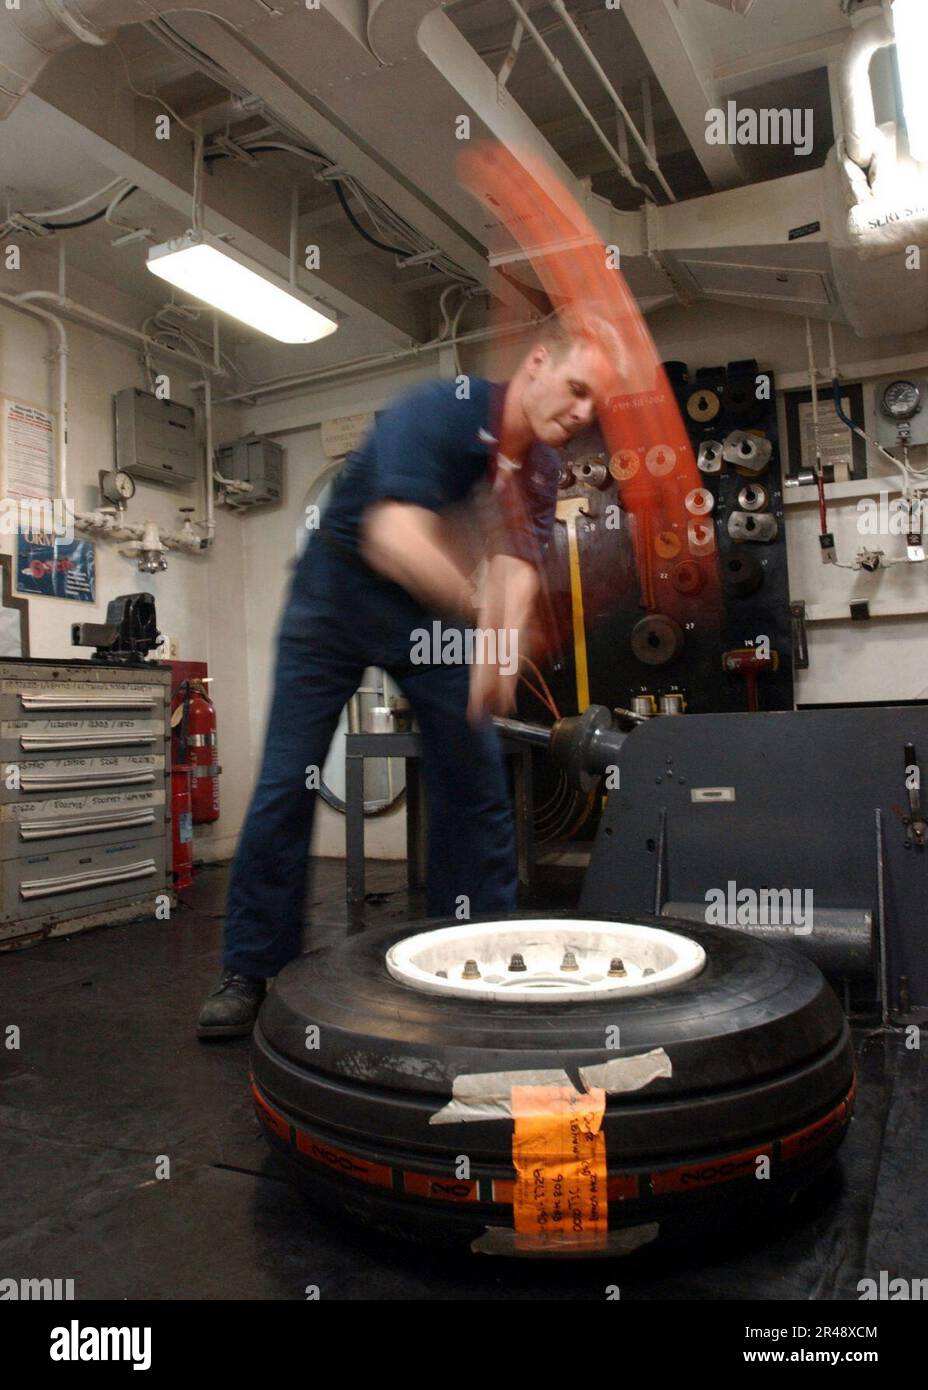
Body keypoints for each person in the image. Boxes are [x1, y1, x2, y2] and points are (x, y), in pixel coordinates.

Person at [197, 315, 615, 1037]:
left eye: (593, 407)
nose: (580, 415)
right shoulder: (441, 409)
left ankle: (476, 954)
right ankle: (251, 968)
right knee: (286, 781)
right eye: (576, 391)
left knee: (475, 776)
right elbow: (392, 538)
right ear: (538, 364)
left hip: (435, 607)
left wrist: (499, 651)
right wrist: (480, 614)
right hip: (336, 596)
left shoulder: (542, 467)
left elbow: (516, 568)